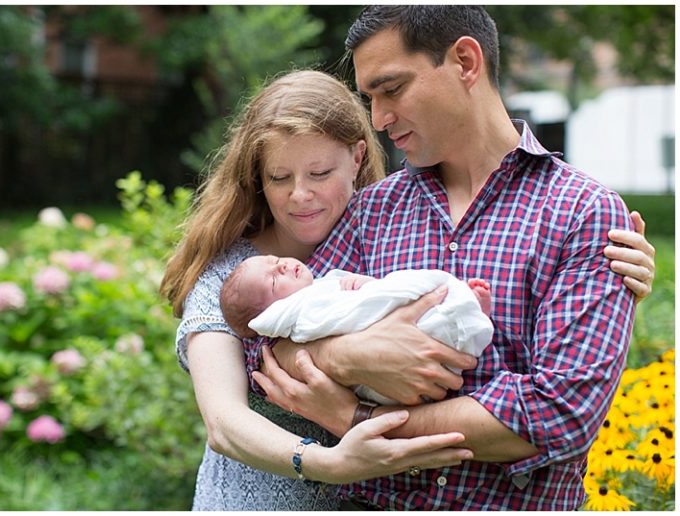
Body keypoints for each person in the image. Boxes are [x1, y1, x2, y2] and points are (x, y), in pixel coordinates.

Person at [245, 5, 656, 511]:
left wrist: (357, 419)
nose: (377, 119)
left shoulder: (582, 214)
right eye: (369, 98)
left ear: (465, 61)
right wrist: (352, 355)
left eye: (391, 90)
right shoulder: (374, 208)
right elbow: (262, 349)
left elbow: (560, 415)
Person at [160, 70, 478, 511]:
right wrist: (328, 462)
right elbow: (225, 423)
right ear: (258, 178)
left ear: (357, 157)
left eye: (319, 172)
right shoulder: (229, 277)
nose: (300, 195)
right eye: (279, 177)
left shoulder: (390, 248)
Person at [220, 254, 492, 406]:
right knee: (404, 302)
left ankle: (463, 311)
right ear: (272, 314)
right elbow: (344, 318)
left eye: (274, 259)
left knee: (396, 294)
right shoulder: (300, 315)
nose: (280, 265)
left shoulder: (321, 283)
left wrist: (362, 285)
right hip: (386, 373)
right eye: (273, 281)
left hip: (403, 358)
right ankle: (461, 311)